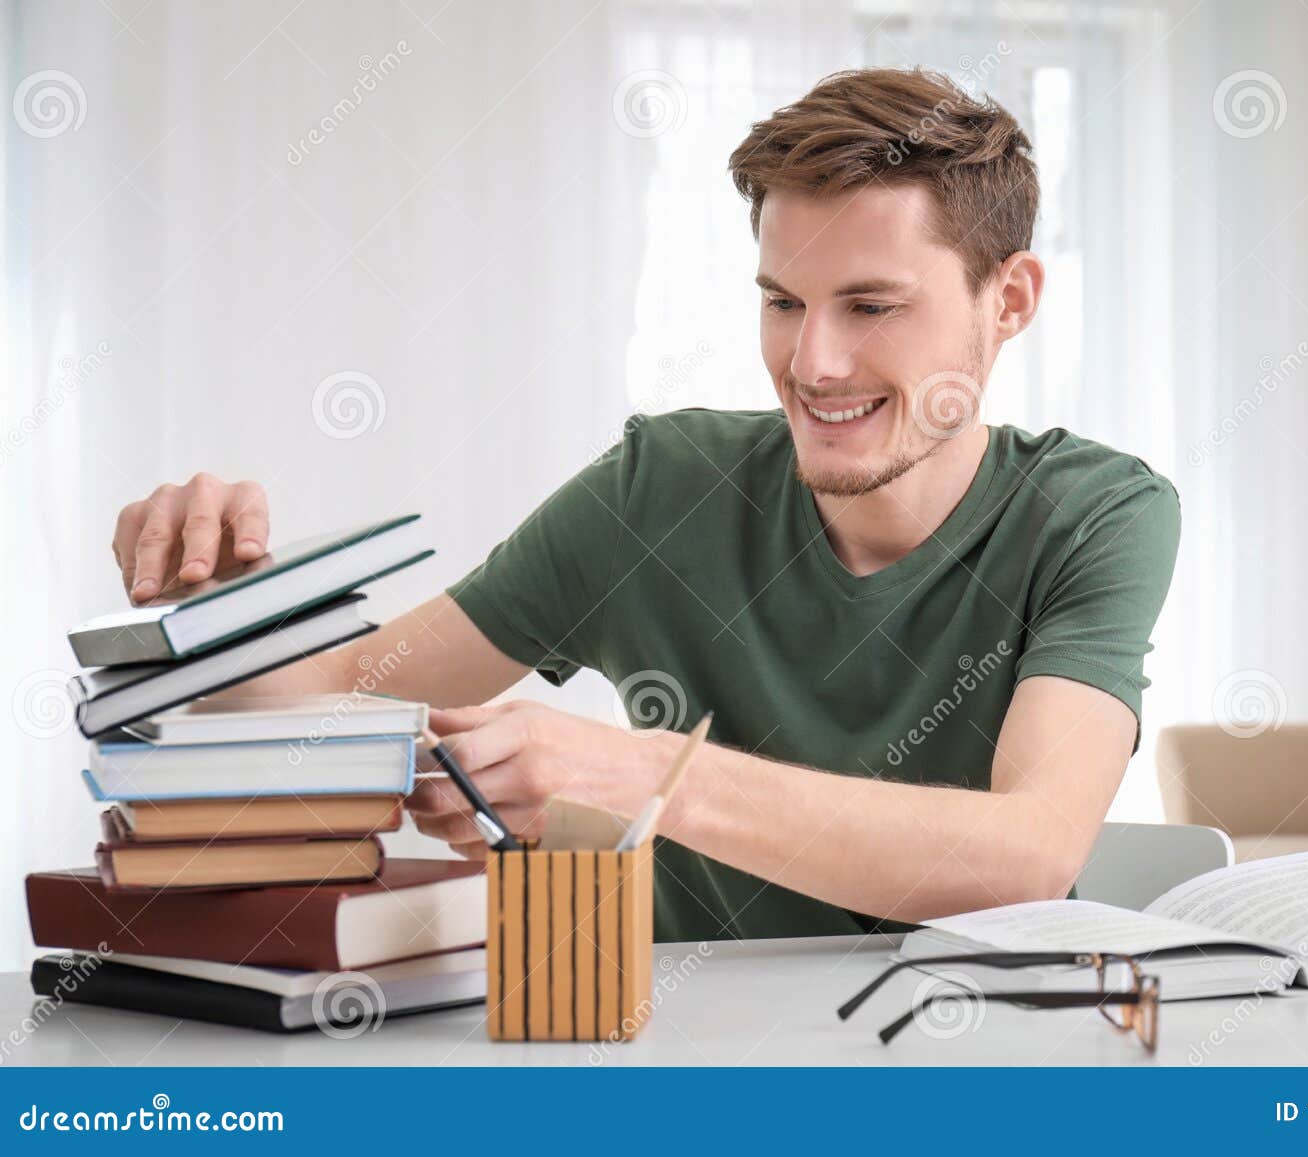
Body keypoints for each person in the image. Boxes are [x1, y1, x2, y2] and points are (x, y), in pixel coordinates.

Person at [108, 68, 1179, 943]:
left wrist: (651, 777)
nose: (813, 362)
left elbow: (1025, 854)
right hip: (681, 1061)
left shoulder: (1093, 515)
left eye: (870, 305)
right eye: (783, 301)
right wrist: (226, 604)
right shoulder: (659, 491)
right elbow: (330, 706)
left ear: (1010, 300)